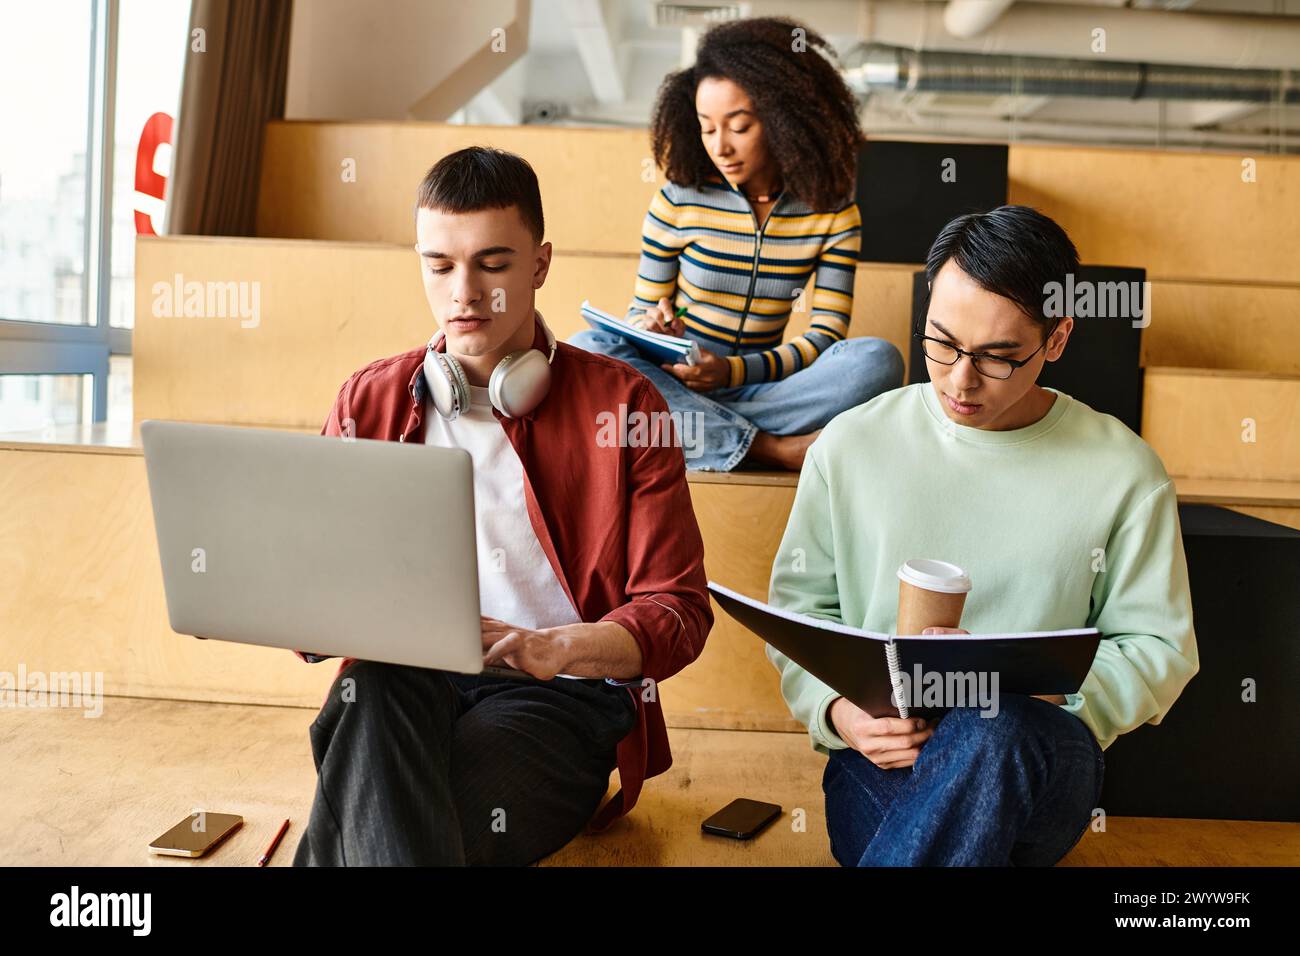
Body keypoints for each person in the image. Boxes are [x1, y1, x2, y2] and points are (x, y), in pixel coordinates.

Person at [291, 147, 713, 866]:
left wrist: (556, 646)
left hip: (561, 699)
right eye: (440, 265)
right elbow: (317, 596)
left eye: (493, 264)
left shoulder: (625, 404)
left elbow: (677, 611)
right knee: (374, 689)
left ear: (541, 265)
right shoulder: (370, 399)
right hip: (403, 689)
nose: (464, 292)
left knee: (392, 802)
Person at [766, 205, 1200, 865]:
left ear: (1056, 339)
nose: (959, 379)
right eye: (941, 343)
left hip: (1038, 761)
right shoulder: (853, 444)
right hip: (882, 758)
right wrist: (842, 715)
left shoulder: (1123, 471)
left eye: (998, 357)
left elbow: (1158, 647)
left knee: (991, 728)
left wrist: (1051, 693)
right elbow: (799, 613)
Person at [569, 16, 903, 472]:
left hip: (769, 388)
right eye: (707, 128)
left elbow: (826, 335)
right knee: (588, 348)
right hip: (678, 383)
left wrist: (730, 372)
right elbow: (639, 313)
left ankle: (697, 435)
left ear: (783, 120)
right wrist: (653, 329)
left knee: (877, 361)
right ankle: (773, 448)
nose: (720, 146)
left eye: (739, 126)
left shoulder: (833, 212)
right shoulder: (677, 201)